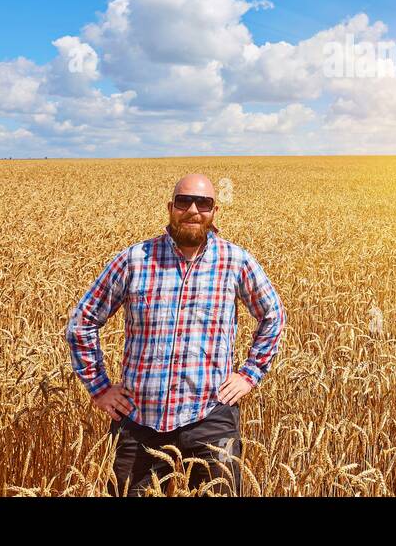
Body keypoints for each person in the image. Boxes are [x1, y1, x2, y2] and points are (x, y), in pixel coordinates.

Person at [66, 173, 285, 496]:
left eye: (204, 203)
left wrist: (249, 374)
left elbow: (274, 315)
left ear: (214, 212)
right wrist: (99, 389)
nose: (193, 210)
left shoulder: (235, 261)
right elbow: (82, 320)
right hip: (139, 420)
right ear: (170, 207)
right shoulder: (135, 260)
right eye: (184, 201)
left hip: (211, 416)